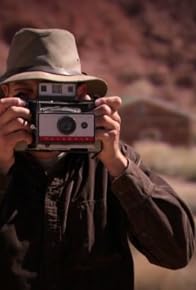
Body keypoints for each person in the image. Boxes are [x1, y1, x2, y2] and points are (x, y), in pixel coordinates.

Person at [0, 28, 194, 290]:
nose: (42, 107)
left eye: (57, 92)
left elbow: (176, 253)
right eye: (25, 96)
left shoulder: (110, 160)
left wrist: (118, 166)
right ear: (5, 96)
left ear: (81, 95)